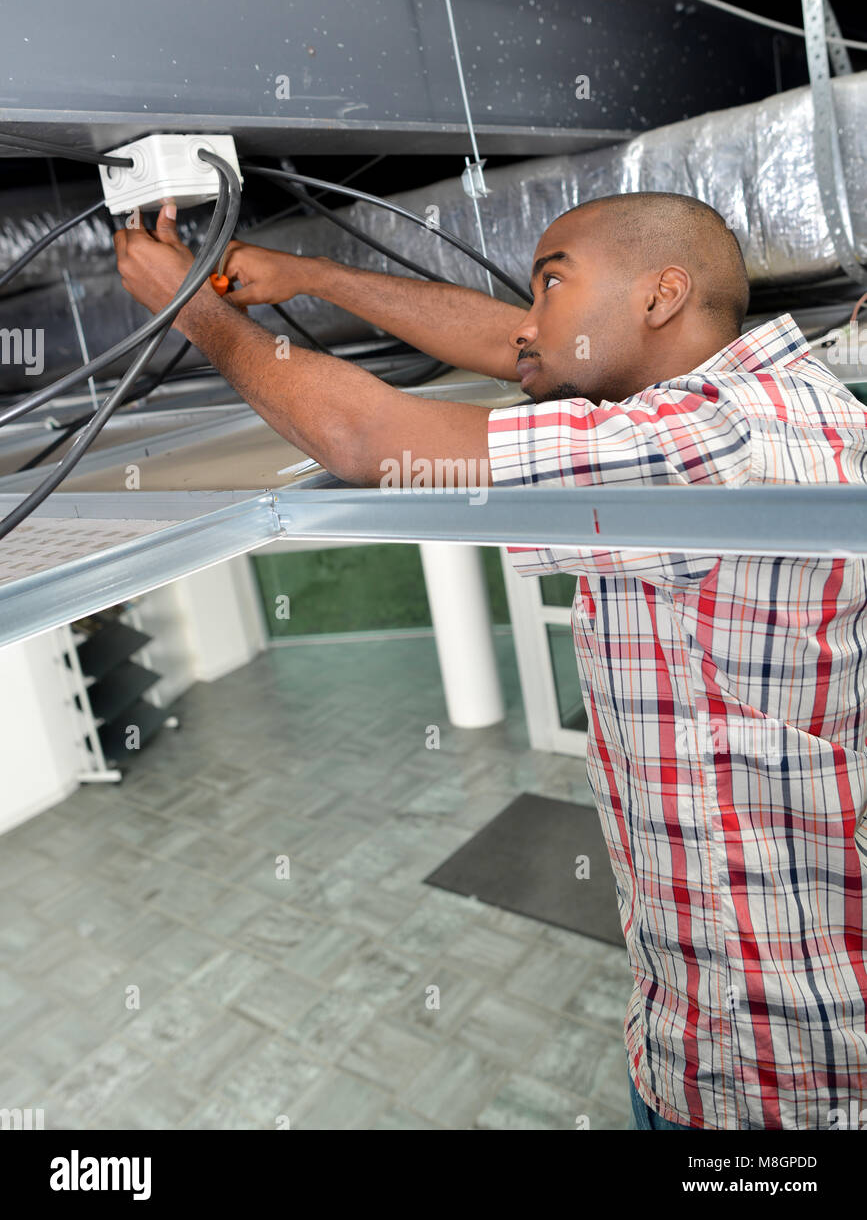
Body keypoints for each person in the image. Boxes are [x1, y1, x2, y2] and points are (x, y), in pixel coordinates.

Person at [114, 189, 867, 1131]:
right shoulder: (784, 395)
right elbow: (520, 346)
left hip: (754, 1067)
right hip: (739, 1010)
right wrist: (312, 278)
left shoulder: (699, 446)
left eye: (552, 283)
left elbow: (367, 439)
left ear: (659, 294)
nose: (529, 320)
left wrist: (196, 308)